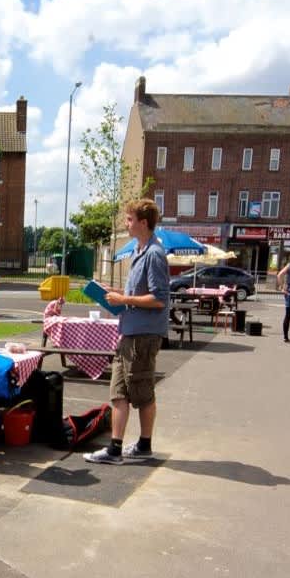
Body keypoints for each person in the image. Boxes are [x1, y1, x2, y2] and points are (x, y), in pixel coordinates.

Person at [85, 198, 170, 465]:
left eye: (130, 219)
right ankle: (117, 447)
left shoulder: (154, 254)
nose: (126, 223)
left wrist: (124, 301)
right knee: (119, 390)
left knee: (142, 391)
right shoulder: (138, 251)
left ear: (143, 223)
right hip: (130, 331)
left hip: (143, 335)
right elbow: (138, 294)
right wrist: (115, 294)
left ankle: (139, 446)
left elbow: (158, 299)